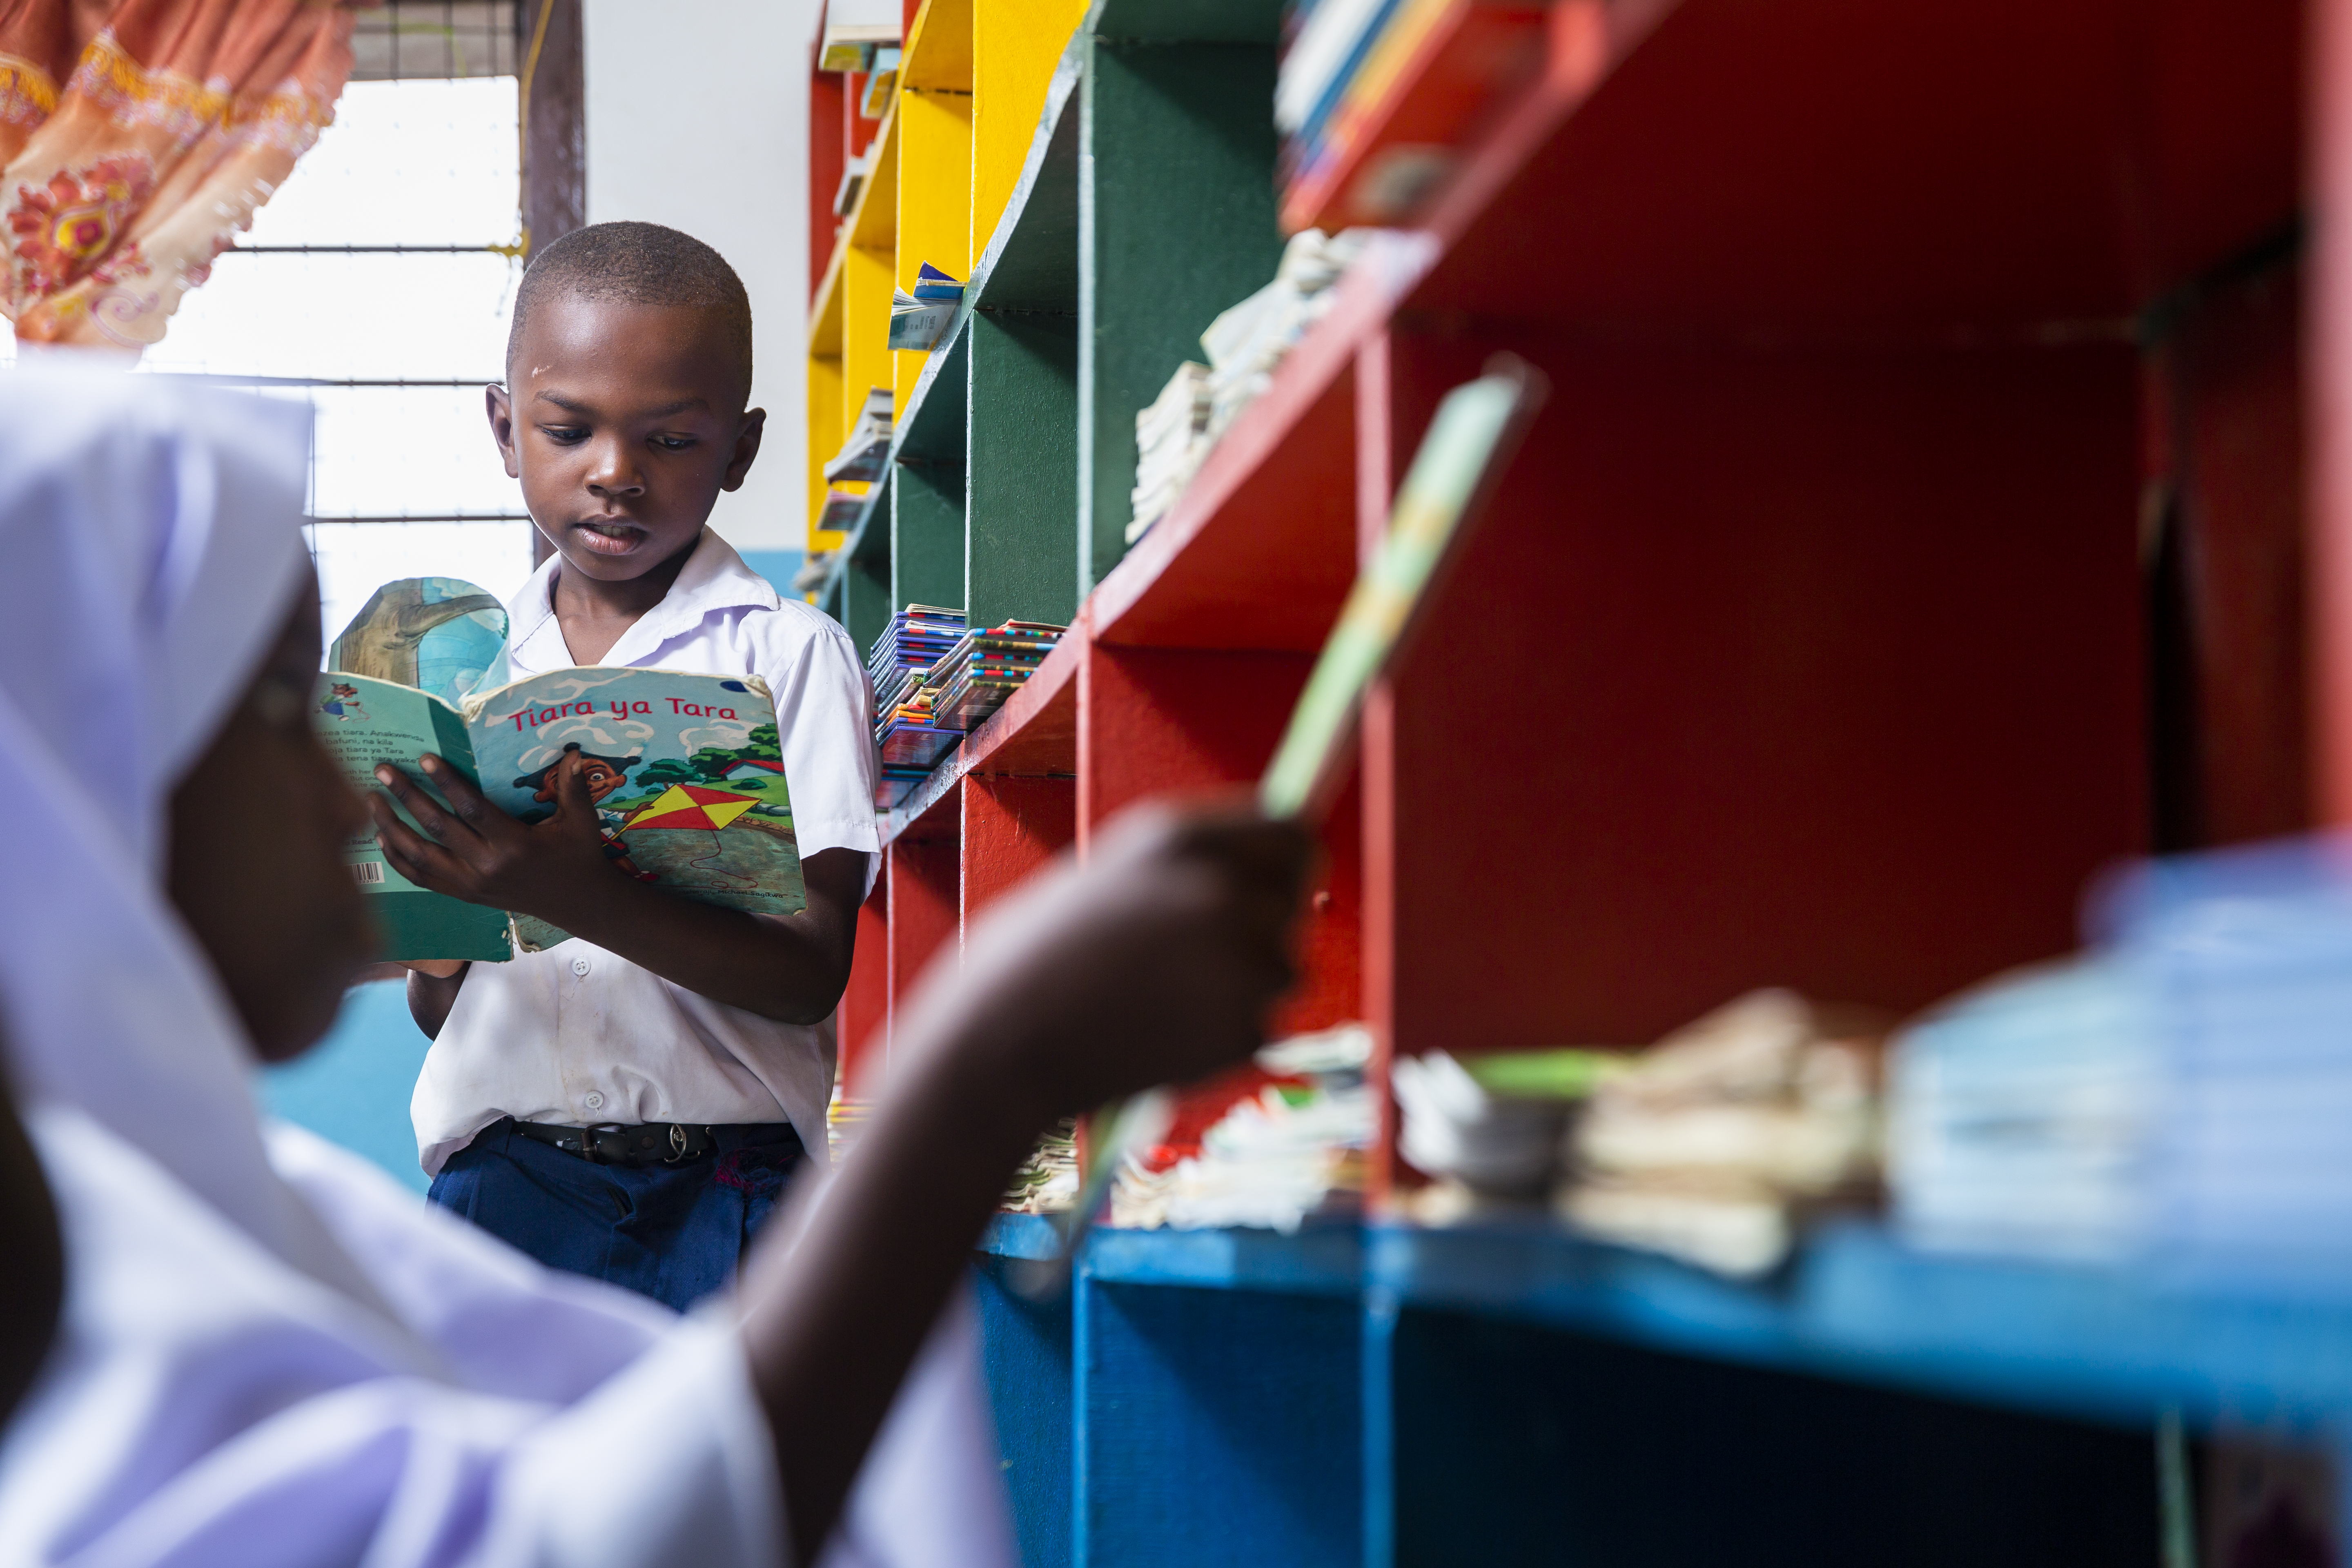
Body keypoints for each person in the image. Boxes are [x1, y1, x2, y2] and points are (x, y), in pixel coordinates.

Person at [0, 368, 1310, 1564]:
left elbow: (650, 1452)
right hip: (522, 1160)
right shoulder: (98, 1295)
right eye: (295, 709)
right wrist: (986, 1070)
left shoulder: (254, 1206)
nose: (348, 799)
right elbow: (587, 1538)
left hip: (725, 1176)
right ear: (69, 779)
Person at [383, 221, 882, 1309]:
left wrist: (573, 893)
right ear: (505, 430)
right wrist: (437, 932)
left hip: (733, 1192)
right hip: (502, 1188)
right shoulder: (462, 676)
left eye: (671, 440)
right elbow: (446, 1016)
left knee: (733, 1433)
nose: (614, 475)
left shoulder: (786, 656)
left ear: (739, 451)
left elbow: (808, 976)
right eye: (569, 431)